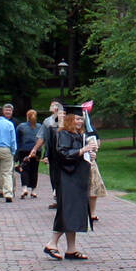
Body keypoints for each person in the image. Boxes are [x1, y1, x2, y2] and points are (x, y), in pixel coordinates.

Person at [41, 104, 95, 261]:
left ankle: (71, 249)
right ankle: (51, 244)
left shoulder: (77, 135)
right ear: (70, 119)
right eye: (77, 119)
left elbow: (76, 155)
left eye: (81, 119)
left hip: (76, 179)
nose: (80, 122)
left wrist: (88, 156)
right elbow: (63, 154)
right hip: (67, 179)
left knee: (74, 213)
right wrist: (82, 151)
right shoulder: (63, 133)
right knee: (68, 212)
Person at [28, 101, 63, 209]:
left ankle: (65, 199)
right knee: (54, 176)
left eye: (54, 105)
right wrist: (35, 149)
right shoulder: (47, 121)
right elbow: (42, 137)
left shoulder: (66, 119)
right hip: (52, 153)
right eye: (51, 104)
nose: (51, 106)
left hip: (65, 152)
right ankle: (57, 199)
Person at [16, 109, 41, 198]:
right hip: (37, 150)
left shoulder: (21, 127)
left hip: (24, 150)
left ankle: (24, 188)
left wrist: (17, 151)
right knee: (34, 170)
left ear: (27, 117)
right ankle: (33, 190)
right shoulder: (39, 126)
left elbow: (18, 140)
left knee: (24, 169)